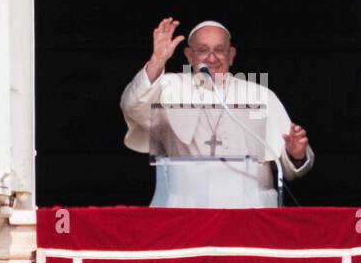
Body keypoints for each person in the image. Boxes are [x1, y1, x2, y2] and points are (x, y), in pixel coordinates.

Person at [120, 18, 314, 208]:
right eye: (203, 50)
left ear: (231, 54)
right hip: (186, 206)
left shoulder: (260, 95)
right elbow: (133, 105)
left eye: (219, 50)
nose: (211, 58)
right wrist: (157, 61)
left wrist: (295, 154)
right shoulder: (169, 87)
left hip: (251, 206)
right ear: (189, 55)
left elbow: (289, 168)